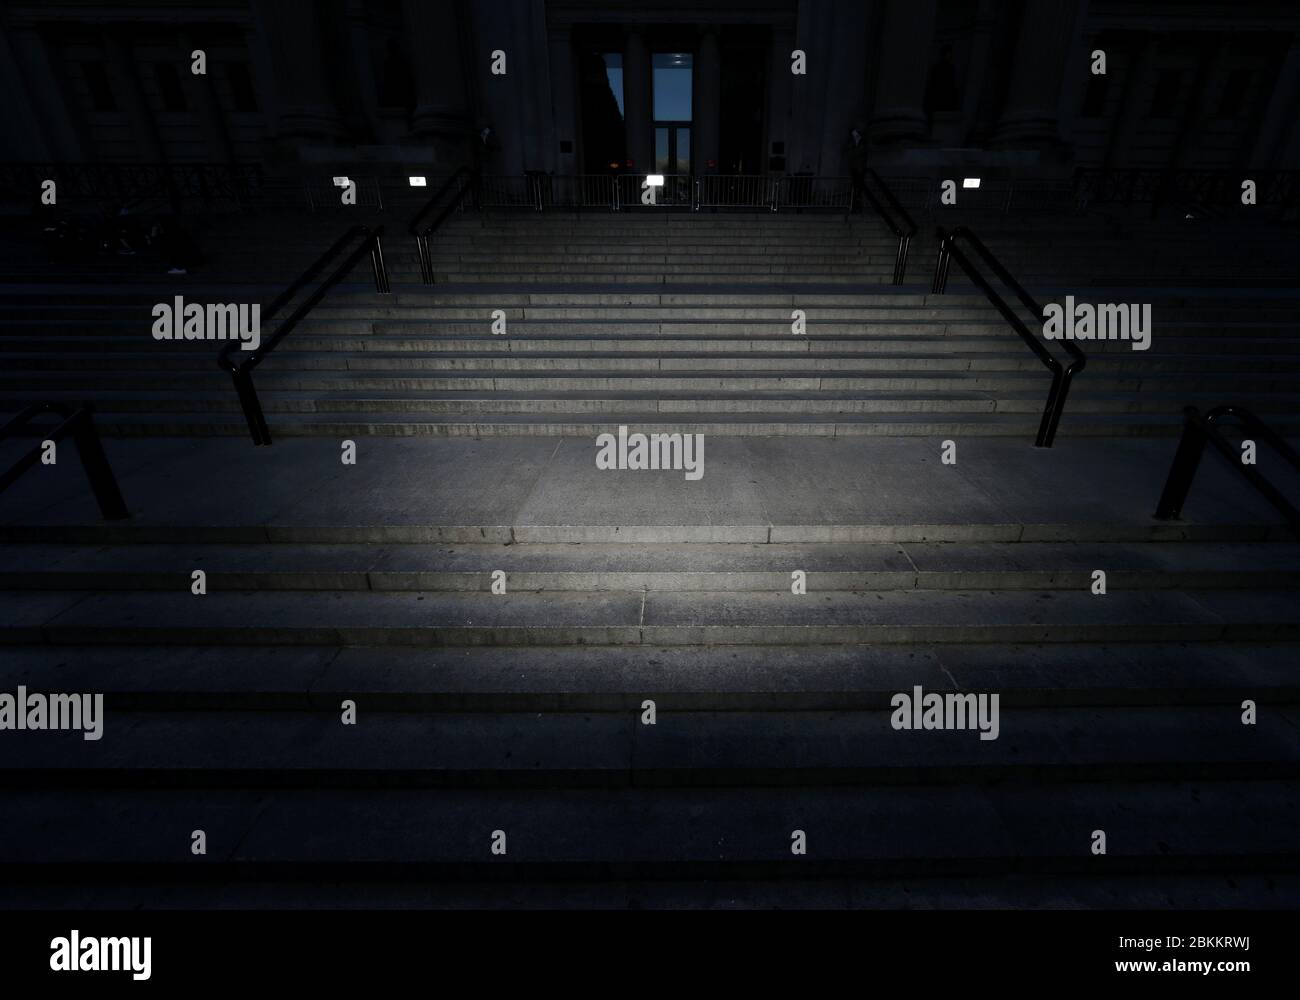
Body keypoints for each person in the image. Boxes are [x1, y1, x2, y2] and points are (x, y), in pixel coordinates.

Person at [844, 121, 869, 213]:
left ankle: (857, 204)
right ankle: (854, 205)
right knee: (855, 188)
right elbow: (850, 153)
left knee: (858, 188)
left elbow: (861, 152)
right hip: (854, 167)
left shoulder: (862, 141)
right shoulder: (852, 142)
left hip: (859, 168)